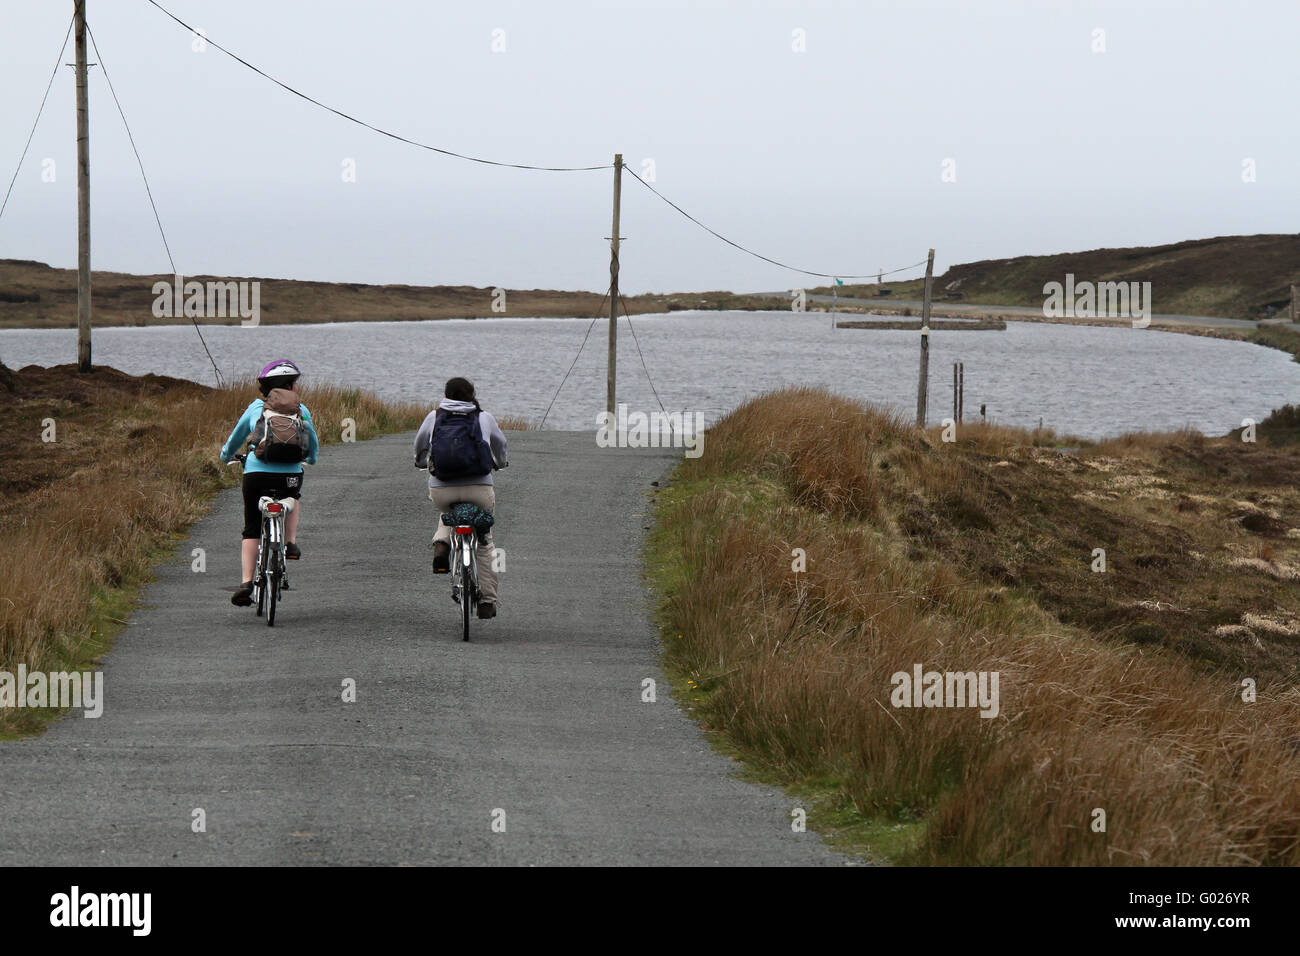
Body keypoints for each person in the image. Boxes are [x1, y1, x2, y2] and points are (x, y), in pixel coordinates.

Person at [219, 360, 319, 606]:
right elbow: (312, 440)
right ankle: (290, 543)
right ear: (290, 385)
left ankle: (245, 583)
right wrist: (311, 458)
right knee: (293, 499)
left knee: (251, 528)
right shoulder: (300, 409)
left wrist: (225, 455)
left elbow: (237, 437)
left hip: (256, 474)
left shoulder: (255, 407)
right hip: (290, 475)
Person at [413, 377, 508, 619]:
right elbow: (500, 444)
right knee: (485, 541)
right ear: (471, 394)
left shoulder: (434, 417)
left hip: (442, 489)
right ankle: (487, 601)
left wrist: (421, 461)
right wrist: (501, 462)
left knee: (448, 514)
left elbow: (420, 444)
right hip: (479, 488)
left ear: (445, 395)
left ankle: (441, 545)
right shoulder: (483, 417)